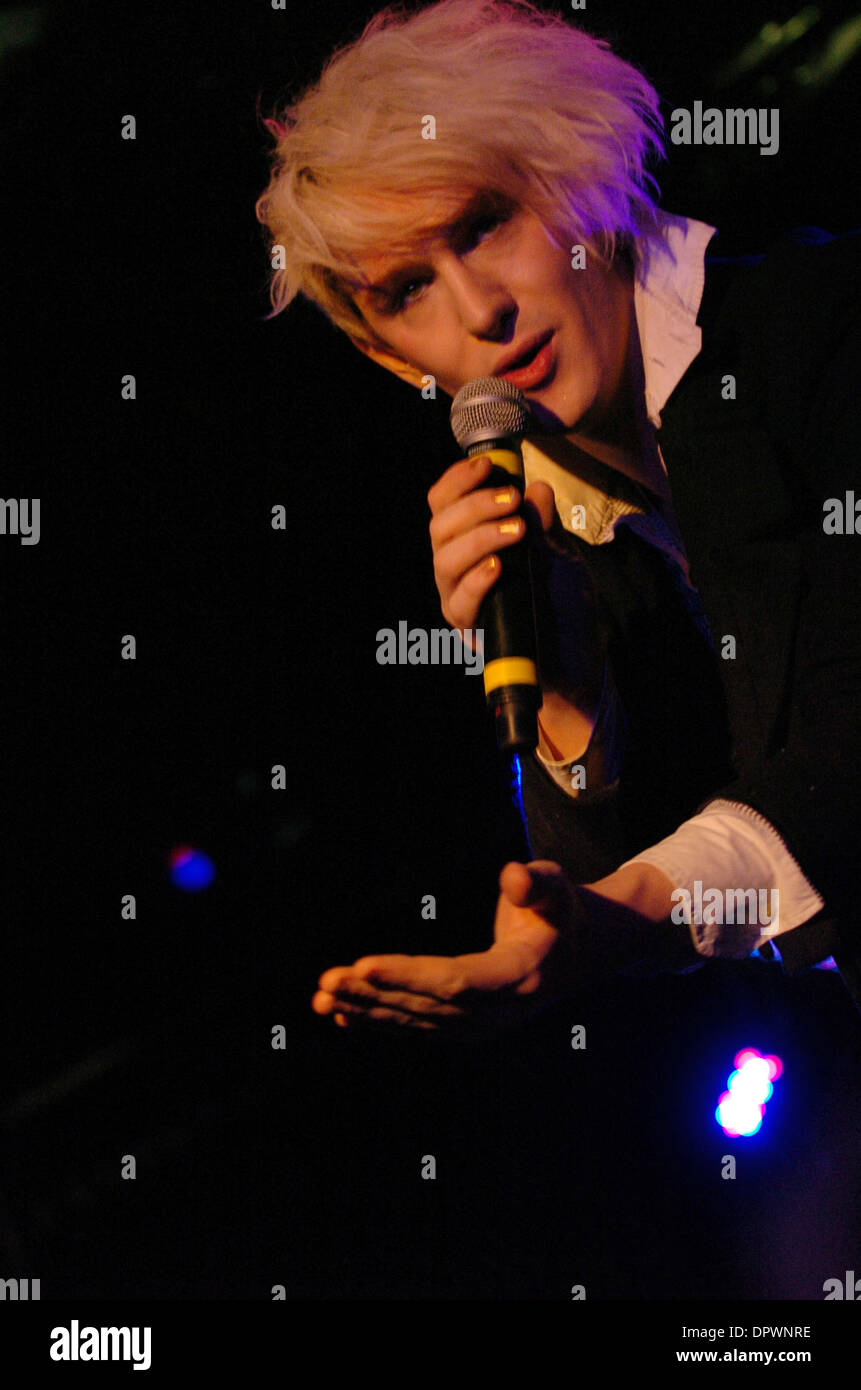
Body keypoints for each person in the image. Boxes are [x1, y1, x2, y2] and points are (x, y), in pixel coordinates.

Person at [254, 0, 861, 1030]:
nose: (478, 311)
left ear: (581, 174)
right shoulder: (563, 533)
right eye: (409, 289)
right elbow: (632, 904)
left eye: (484, 224)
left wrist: (624, 912)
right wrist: (571, 698)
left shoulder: (825, 325)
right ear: (388, 353)